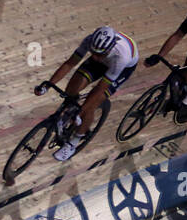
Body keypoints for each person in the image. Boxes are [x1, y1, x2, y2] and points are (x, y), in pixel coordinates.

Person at [37, 25, 139, 161]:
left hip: (122, 68)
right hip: (107, 59)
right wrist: (49, 85)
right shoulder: (90, 41)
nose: (95, 57)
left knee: (91, 104)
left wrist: (82, 111)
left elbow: (100, 88)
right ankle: (70, 112)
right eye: (93, 52)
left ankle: (73, 143)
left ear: (108, 49)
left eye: (99, 54)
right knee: (71, 88)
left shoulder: (122, 57)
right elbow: (70, 63)